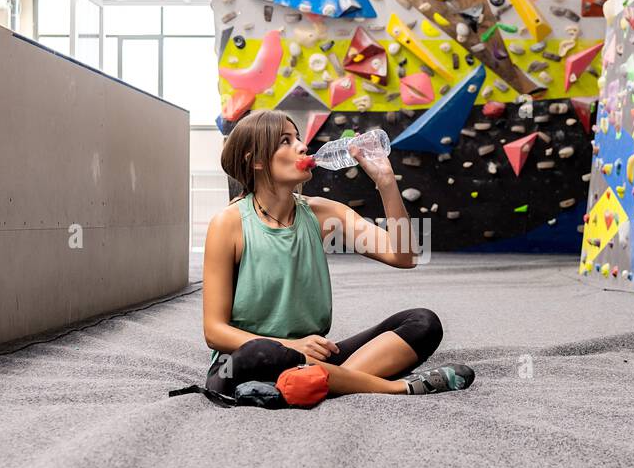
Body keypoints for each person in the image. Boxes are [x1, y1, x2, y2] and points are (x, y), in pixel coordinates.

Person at [201, 108, 475, 400]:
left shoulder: (324, 213)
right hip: (244, 363)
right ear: (255, 160)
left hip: (315, 357)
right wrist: (292, 346)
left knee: (423, 323)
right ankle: (393, 387)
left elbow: (404, 257)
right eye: (285, 141)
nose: (302, 146)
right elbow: (214, 332)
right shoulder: (228, 224)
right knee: (261, 352)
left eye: (298, 138)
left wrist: (386, 183)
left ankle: (309, 385)